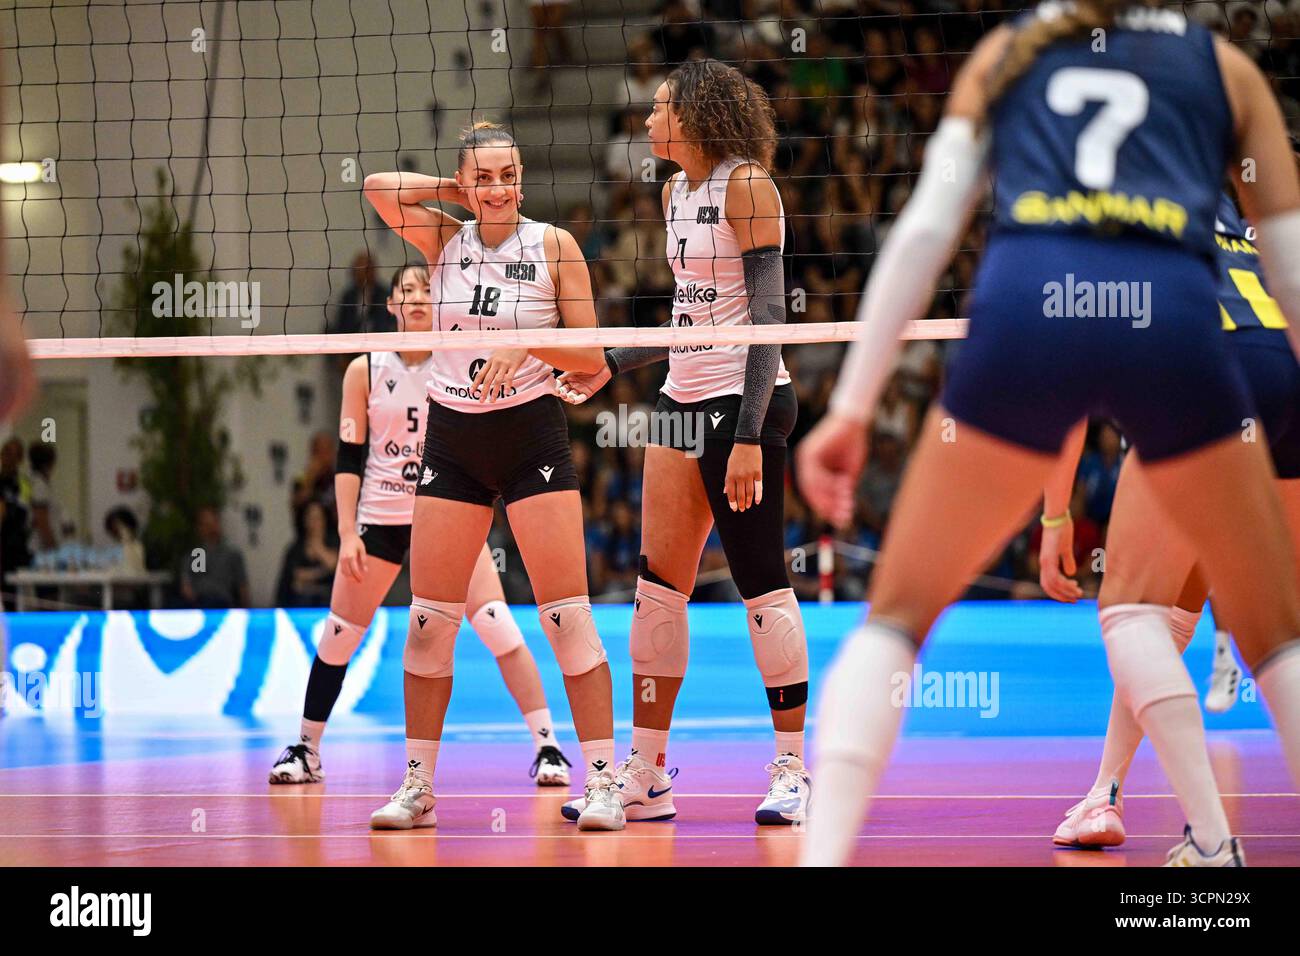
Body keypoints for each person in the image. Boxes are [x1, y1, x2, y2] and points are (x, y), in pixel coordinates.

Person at [796, 0, 1300, 866]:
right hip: (1175, 319)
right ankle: (1210, 845)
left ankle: (825, 853)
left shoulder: (1009, 48)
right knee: (1275, 635)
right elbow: (1291, 268)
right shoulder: (1228, 69)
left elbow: (924, 230)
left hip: (1035, 301)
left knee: (897, 618)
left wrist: (850, 405)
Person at [556, 59, 812, 825]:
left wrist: (745, 436)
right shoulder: (673, 192)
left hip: (746, 401)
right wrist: (609, 364)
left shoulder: (748, 186)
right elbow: (688, 321)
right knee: (655, 594)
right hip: (678, 399)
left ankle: (794, 770)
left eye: (659, 108)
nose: (646, 119)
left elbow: (766, 320)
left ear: (695, 115)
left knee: (761, 586)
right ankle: (649, 773)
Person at [361, 121, 623, 830]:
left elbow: (593, 357)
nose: (499, 189)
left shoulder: (555, 246)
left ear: (524, 179)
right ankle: (418, 786)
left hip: (529, 429)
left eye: (509, 175)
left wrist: (522, 342)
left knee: (566, 615)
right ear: (466, 182)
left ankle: (603, 783)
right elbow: (377, 188)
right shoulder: (445, 240)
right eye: (485, 177)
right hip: (453, 438)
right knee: (426, 622)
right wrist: (460, 191)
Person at [1041, 181, 1300, 848]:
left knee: (1131, 612)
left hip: (1198, 372)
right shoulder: (1234, 209)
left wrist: (1053, 518)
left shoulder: (1099, 208)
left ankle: (1212, 843)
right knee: (1237, 617)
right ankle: (1103, 792)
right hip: (1284, 373)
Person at [269, 265, 572, 788]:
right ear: (390, 305)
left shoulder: (453, 361)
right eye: (406, 290)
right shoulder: (364, 368)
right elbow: (347, 457)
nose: (415, 298)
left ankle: (548, 747)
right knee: (339, 636)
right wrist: (345, 534)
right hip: (381, 519)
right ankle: (306, 749)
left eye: (426, 289)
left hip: (448, 514)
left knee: (498, 625)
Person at [178, 506, 250, 609]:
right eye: (206, 525)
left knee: (213, 602)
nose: (211, 528)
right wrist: (188, 589)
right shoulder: (196, 554)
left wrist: (246, 611)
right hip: (197, 602)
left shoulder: (232, 553)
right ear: (199, 528)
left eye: (213, 523)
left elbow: (242, 585)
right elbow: (187, 582)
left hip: (221, 601)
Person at [275, 500, 338, 608]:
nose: (314, 522)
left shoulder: (335, 542)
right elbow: (295, 576)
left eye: (318, 518)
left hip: (331, 601)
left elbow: (334, 565)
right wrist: (323, 571)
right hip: (300, 603)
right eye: (310, 518)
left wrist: (318, 549)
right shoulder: (295, 548)